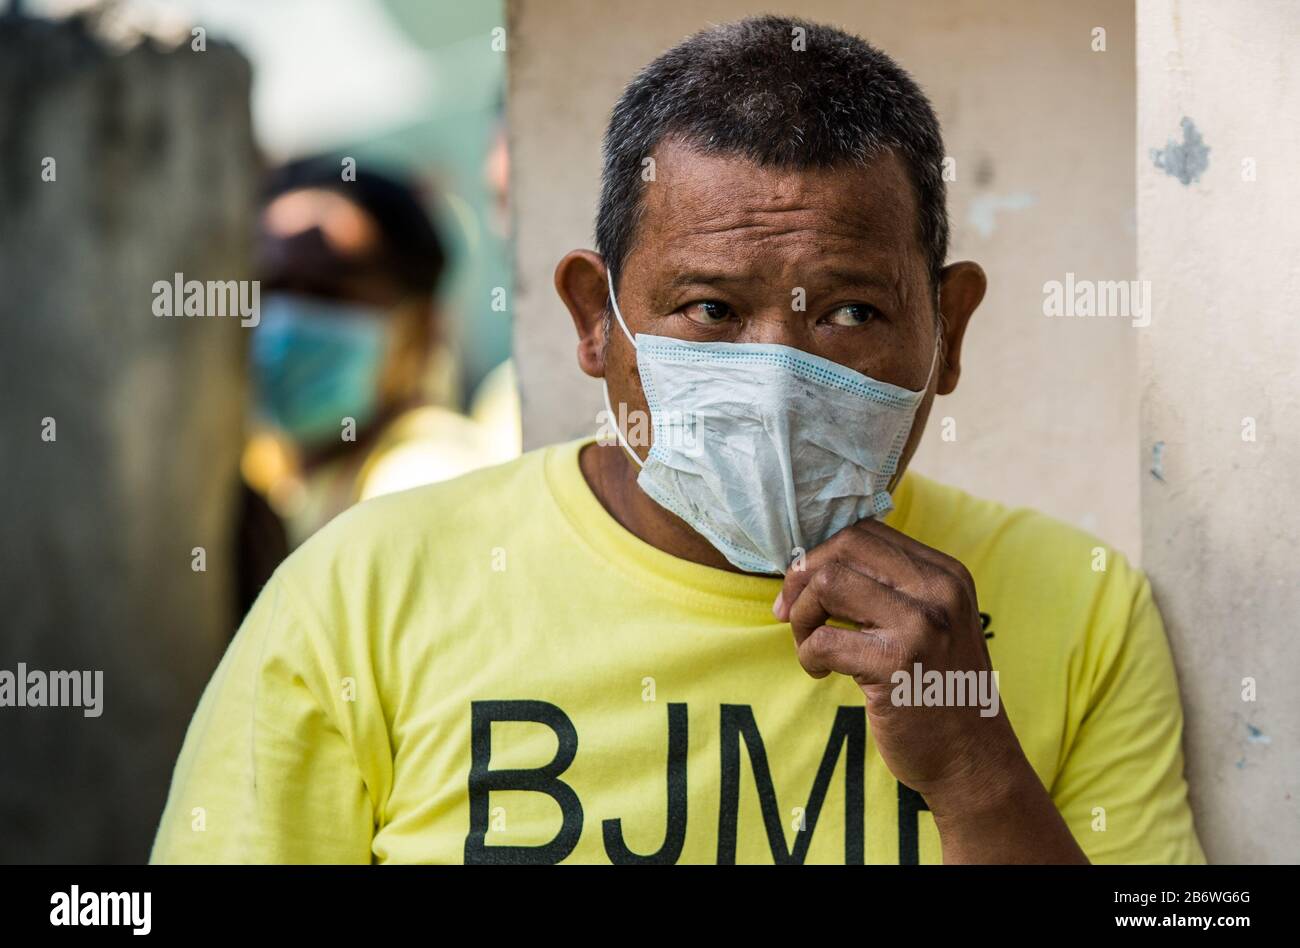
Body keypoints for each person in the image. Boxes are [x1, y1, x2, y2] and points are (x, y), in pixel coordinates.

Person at [152, 16, 1204, 864]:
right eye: (707, 309)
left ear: (950, 329)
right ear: (593, 320)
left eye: (848, 313)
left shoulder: (1080, 609)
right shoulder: (360, 598)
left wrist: (977, 773)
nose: (777, 376)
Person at [242, 159, 503, 548]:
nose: (284, 320)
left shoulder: (425, 485)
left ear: (420, 329)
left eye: (325, 293)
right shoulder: (271, 477)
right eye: (270, 290)